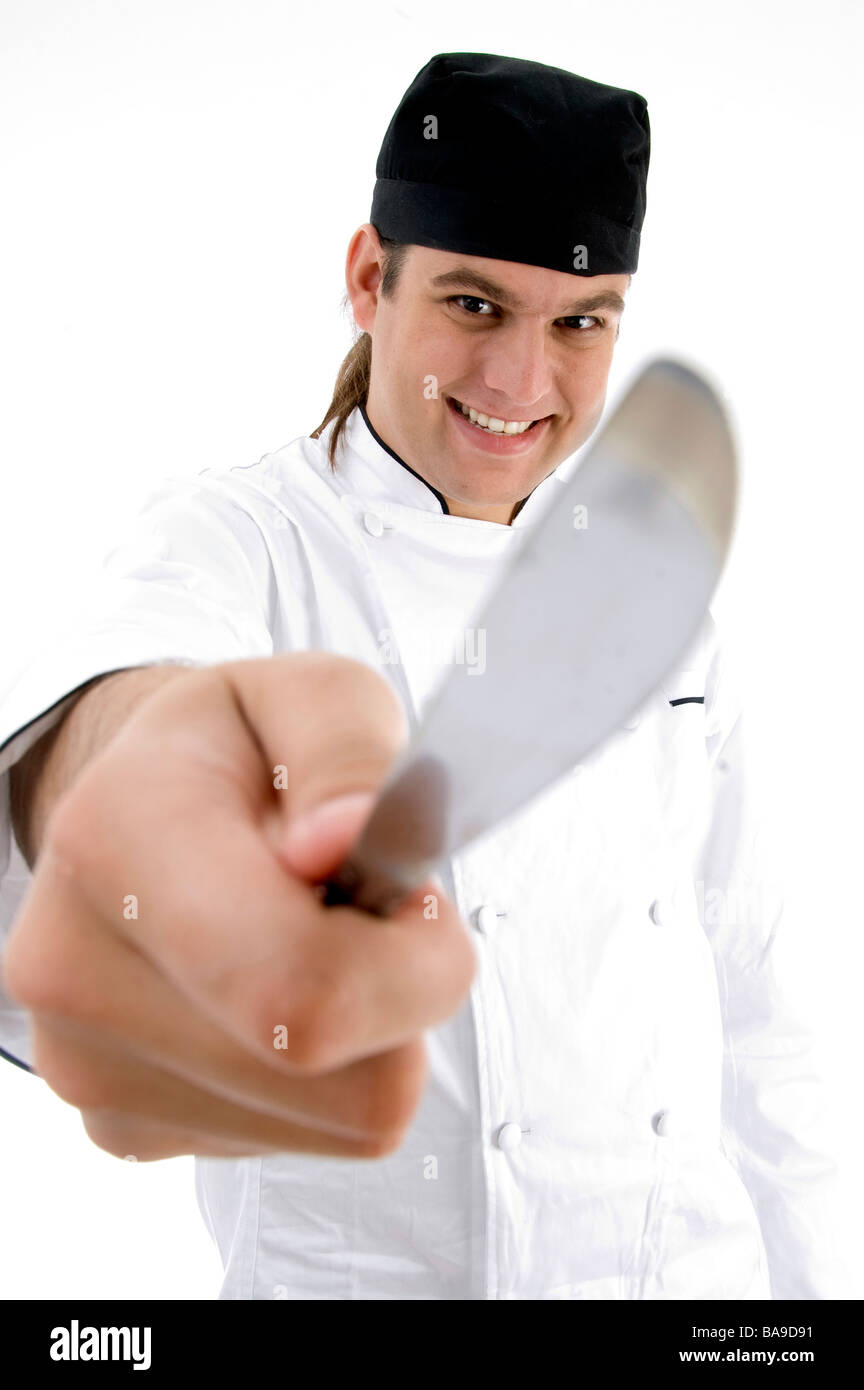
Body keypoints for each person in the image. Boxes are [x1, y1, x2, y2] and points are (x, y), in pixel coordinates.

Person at [0, 52, 848, 1301]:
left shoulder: (664, 609)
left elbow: (771, 1018)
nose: (519, 383)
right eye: (471, 305)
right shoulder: (238, 540)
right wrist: (135, 802)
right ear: (367, 280)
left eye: (579, 323)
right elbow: (126, 703)